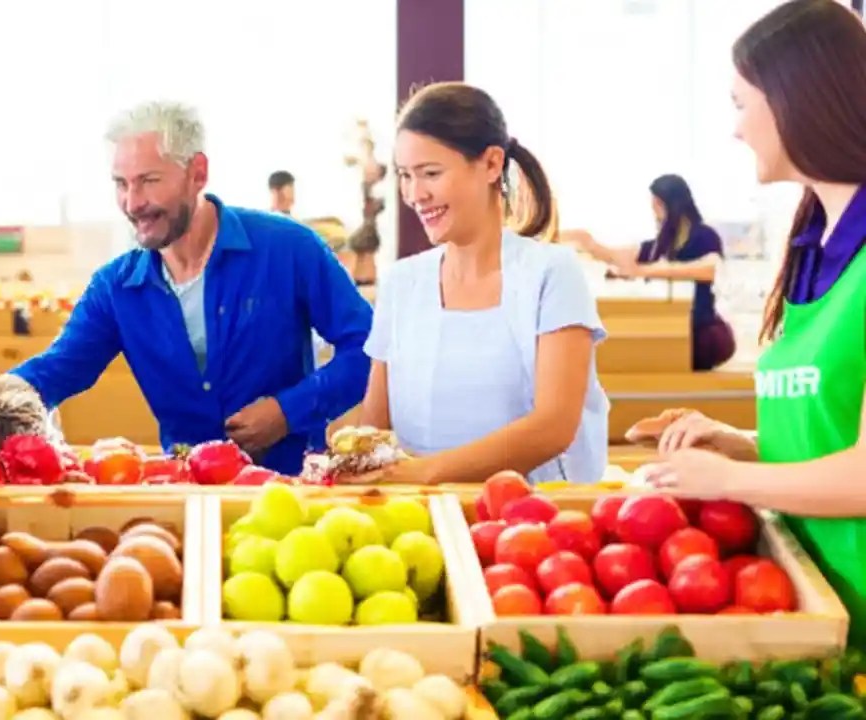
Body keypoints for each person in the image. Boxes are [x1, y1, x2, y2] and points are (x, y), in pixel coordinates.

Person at [648, 0, 866, 644]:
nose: (736, 129)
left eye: (741, 103)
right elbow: (829, 433)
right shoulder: (812, 243)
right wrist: (738, 442)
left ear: (797, 98)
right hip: (816, 607)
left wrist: (732, 480)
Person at [10, 101, 372, 475]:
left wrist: (287, 411)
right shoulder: (115, 288)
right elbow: (53, 372)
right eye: (121, 184)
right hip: (182, 493)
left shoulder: (289, 248)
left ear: (197, 173)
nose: (133, 203)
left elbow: (369, 349)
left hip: (291, 488)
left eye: (149, 181)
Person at [358, 82, 609, 485]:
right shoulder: (402, 283)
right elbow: (374, 424)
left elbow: (554, 426)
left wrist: (427, 473)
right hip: (421, 522)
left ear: (492, 164)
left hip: (535, 524)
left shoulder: (550, 272)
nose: (414, 194)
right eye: (405, 176)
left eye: (431, 174)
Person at [573, 174, 736, 371]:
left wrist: (644, 271)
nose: (655, 212)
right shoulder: (659, 245)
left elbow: (708, 269)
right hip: (671, 334)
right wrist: (589, 244)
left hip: (700, 332)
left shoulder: (705, 236)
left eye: (657, 205)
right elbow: (620, 257)